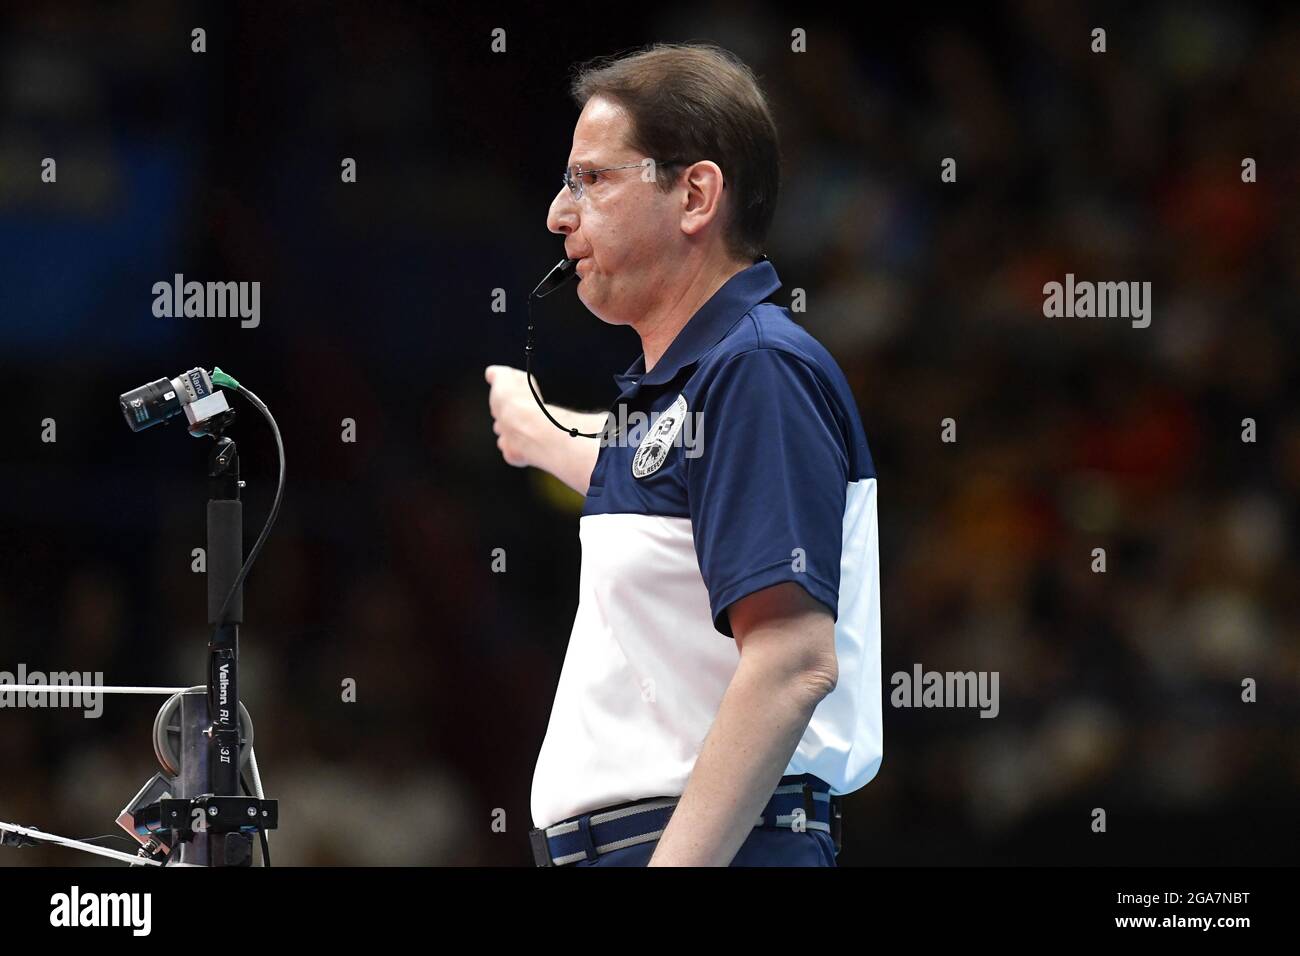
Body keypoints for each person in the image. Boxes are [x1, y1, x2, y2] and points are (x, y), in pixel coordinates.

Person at [485, 42, 881, 866]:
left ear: (696, 194)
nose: (558, 214)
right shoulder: (696, 387)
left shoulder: (758, 370)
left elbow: (791, 662)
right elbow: (651, 475)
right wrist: (539, 432)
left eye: (591, 179)